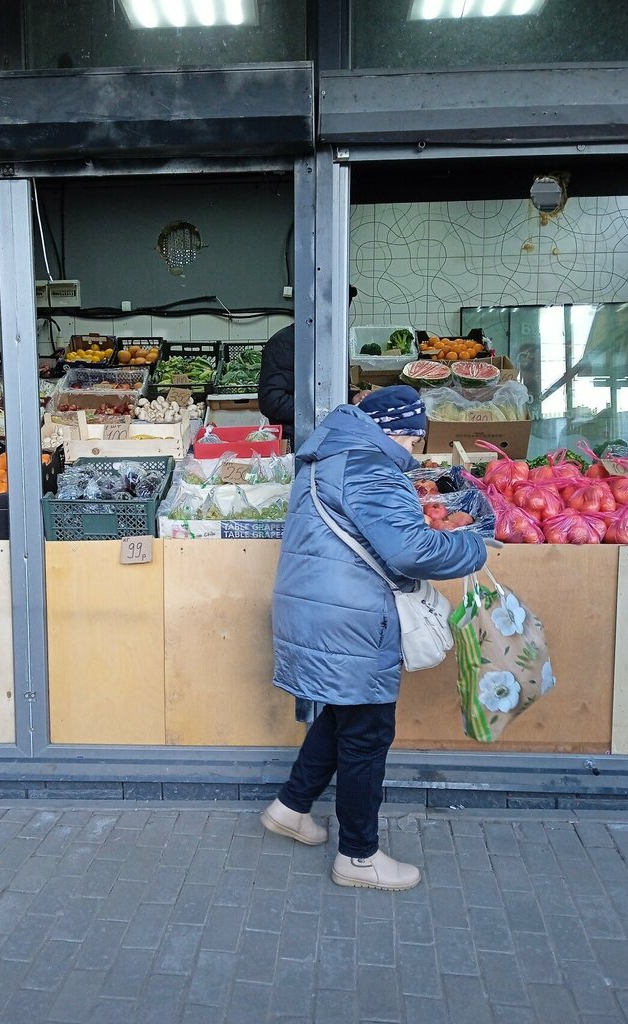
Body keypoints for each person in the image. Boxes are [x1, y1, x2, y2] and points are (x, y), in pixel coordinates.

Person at [260, 386, 487, 890]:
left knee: (343, 712)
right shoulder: (370, 468)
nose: (414, 449)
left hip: (321, 610)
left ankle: (291, 808)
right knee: (367, 735)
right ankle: (358, 858)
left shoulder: (329, 456)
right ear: (401, 433)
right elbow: (410, 551)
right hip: (351, 620)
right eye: (415, 437)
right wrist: (474, 545)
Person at [258, 287, 360, 449]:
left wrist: (353, 396)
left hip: (330, 437)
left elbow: (331, 390)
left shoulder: (334, 342)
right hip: (297, 442)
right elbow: (272, 401)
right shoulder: (283, 344)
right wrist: (322, 408)